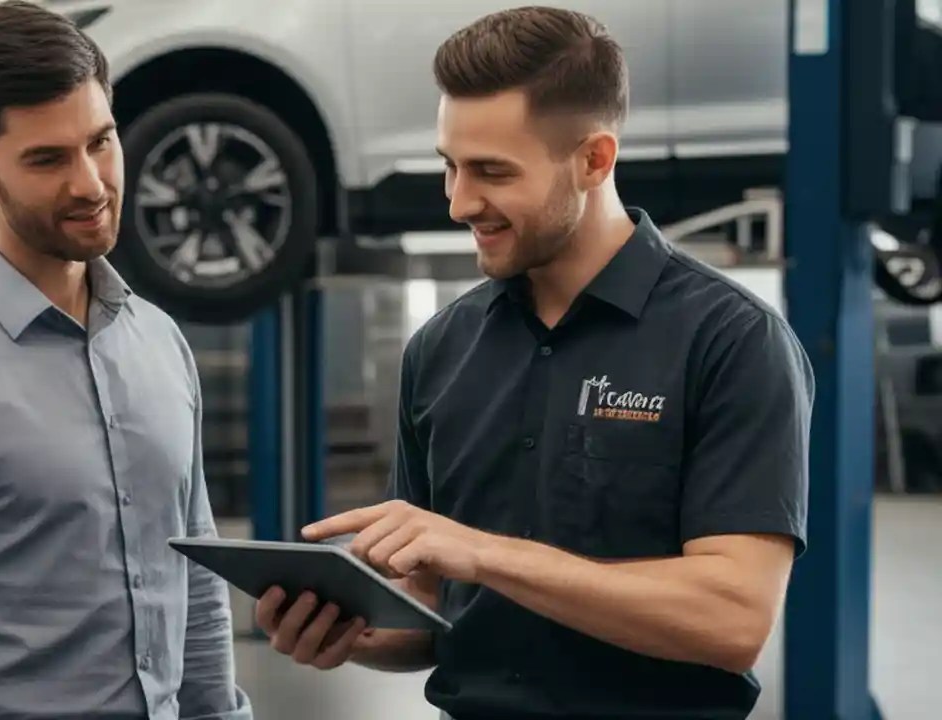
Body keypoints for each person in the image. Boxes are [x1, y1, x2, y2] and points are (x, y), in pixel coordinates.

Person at [255, 7, 814, 720]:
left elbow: (732, 622)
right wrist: (356, 630)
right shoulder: (440, 351)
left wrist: (486, 554)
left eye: (491, 171)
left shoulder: (732, 342)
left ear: (594, 159)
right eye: (449, 166)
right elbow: (434, 607)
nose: (459, 202)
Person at [0, 3, 252, 719]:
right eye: (48, 159)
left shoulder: (160, 342)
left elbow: (196, 584)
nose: (90, 183)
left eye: (101, 141)